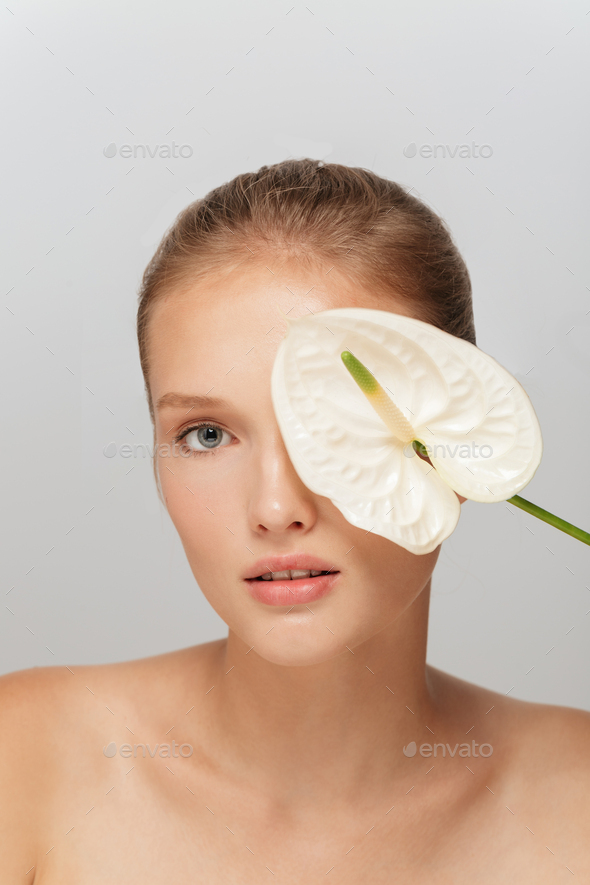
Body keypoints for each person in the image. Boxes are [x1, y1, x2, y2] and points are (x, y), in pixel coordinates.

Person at [2, 159, 589, 883]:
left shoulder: (576, 801)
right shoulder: (25, 760)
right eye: (207, 435)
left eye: (332, 434)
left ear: (454, 443)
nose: (277, 509)